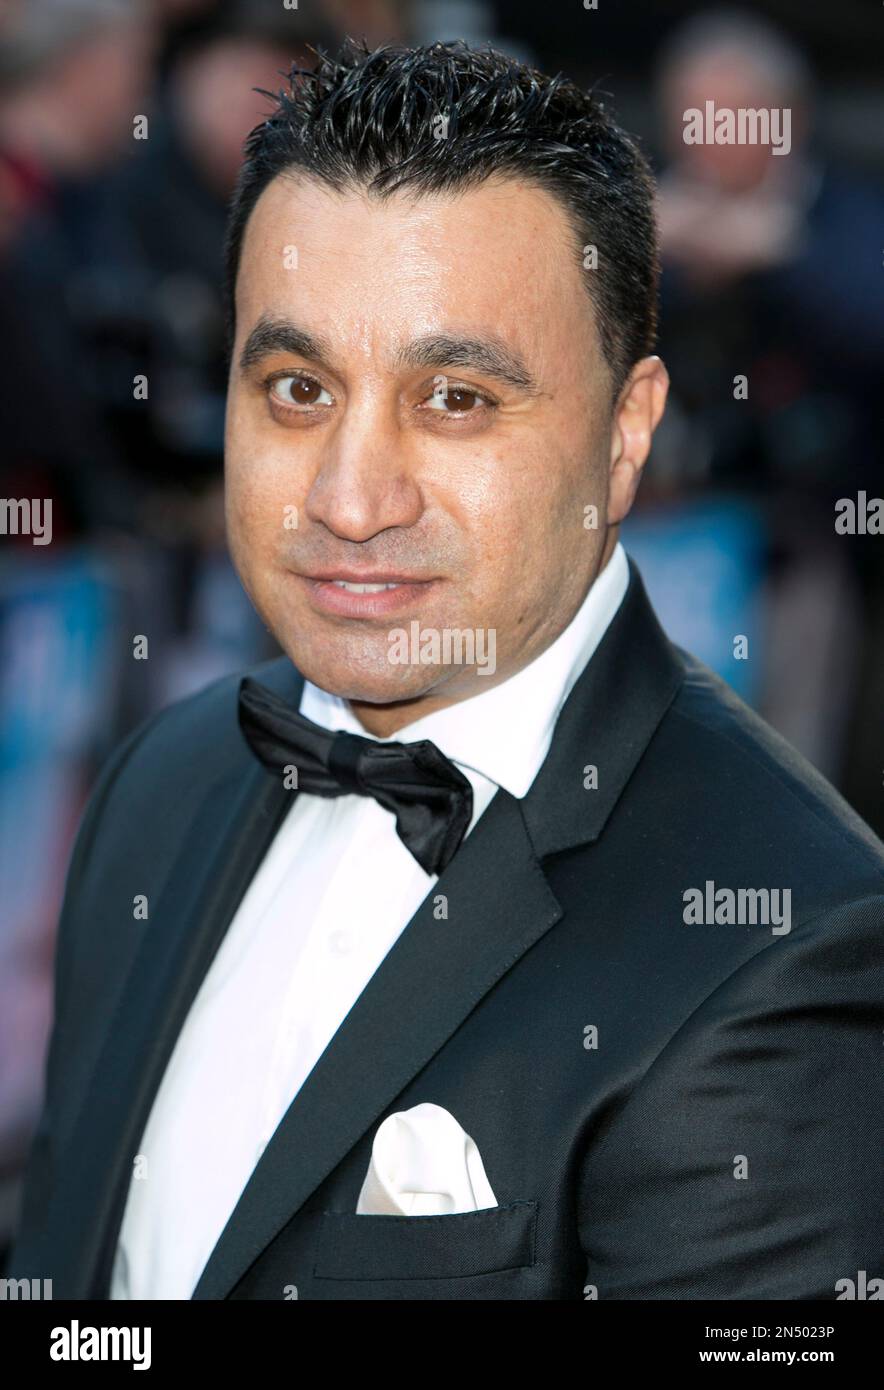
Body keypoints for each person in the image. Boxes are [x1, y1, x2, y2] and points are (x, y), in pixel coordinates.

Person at [8, 37, 883, 1301]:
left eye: (457, 399)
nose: (351, 498)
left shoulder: (791, 951)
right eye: (298, 387)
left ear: (623, 432)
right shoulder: (163, 777)